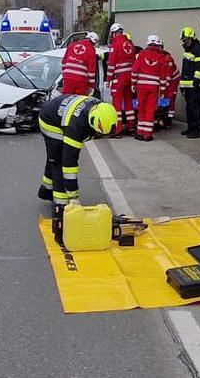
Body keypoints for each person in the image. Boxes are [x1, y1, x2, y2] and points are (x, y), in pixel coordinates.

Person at [36, 95, 118, 239]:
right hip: (50, 120)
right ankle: (60, 206)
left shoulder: (103, 110)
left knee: (54, 158)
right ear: (93, 123)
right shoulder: (76, 127)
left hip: (59, 112)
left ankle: (45, 190)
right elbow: (69, 163)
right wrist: (73, 196)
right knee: (58, 160)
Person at [132, 35, 179, 140]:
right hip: (154, 88)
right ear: (158, 45)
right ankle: (147, 135)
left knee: (141, 109)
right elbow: (163, 77)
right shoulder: (162, 57)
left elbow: (135, 70)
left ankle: (139, 133)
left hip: (141, 87)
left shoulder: (141, 54)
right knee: (150, 110)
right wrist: (162, 90)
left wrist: (133, 84)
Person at [106, 23, 137, 137]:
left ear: (114, 32)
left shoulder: (115, 45)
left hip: (119, 78)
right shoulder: (129, 44)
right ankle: (131, 127)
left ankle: (117, 130)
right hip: (129, 78)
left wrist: (109, 79)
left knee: (117, 105)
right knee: (129, 103)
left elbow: (111, 64)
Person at [179, 27, 200, 139]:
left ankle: (197, 130)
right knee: (189, 107)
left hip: (195, 85)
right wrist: (182, 85)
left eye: (186, 40)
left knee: (195, 108)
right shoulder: (188, 50)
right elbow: (185, 69)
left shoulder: (198, 48)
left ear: (191, 38)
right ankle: (190, 128)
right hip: (188, 85)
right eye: (183, 40)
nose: (184, 42)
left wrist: (196, 81)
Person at [61, 31, 98, 96]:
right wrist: (92, 86)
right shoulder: (91, 50)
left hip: (68, 78)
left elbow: (64, 63)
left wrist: (65, 76)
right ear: (94, 42)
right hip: (81, 80)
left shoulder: (71, 46)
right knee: (79, 101)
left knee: (65, 99)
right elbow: (91, 72)